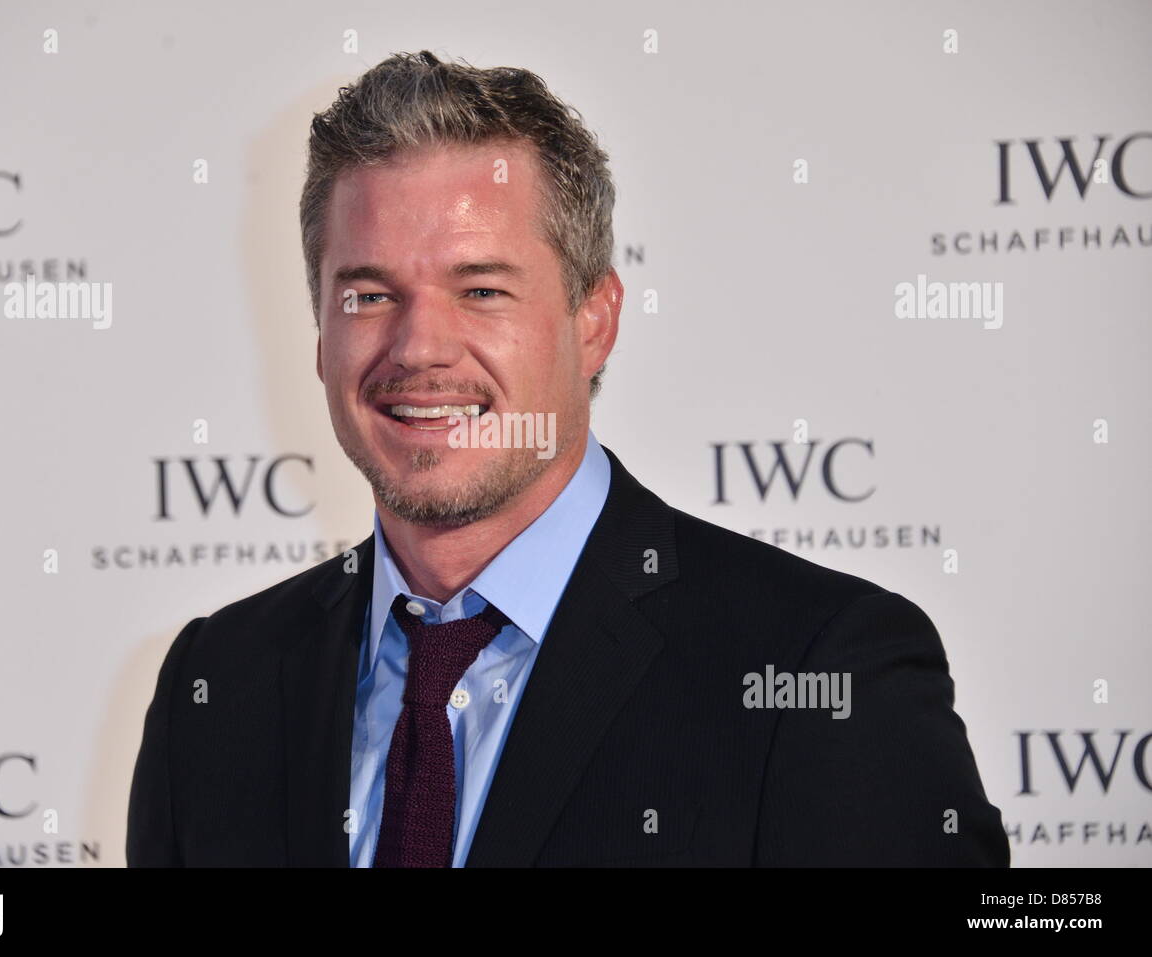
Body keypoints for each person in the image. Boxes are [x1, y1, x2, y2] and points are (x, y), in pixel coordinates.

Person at [126, 50, 1009, 867]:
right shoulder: (218, 685)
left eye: (481, 290)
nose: (420, 347)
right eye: (369, 293)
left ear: (595, 321)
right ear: (320, 335)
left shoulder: (819, 670)